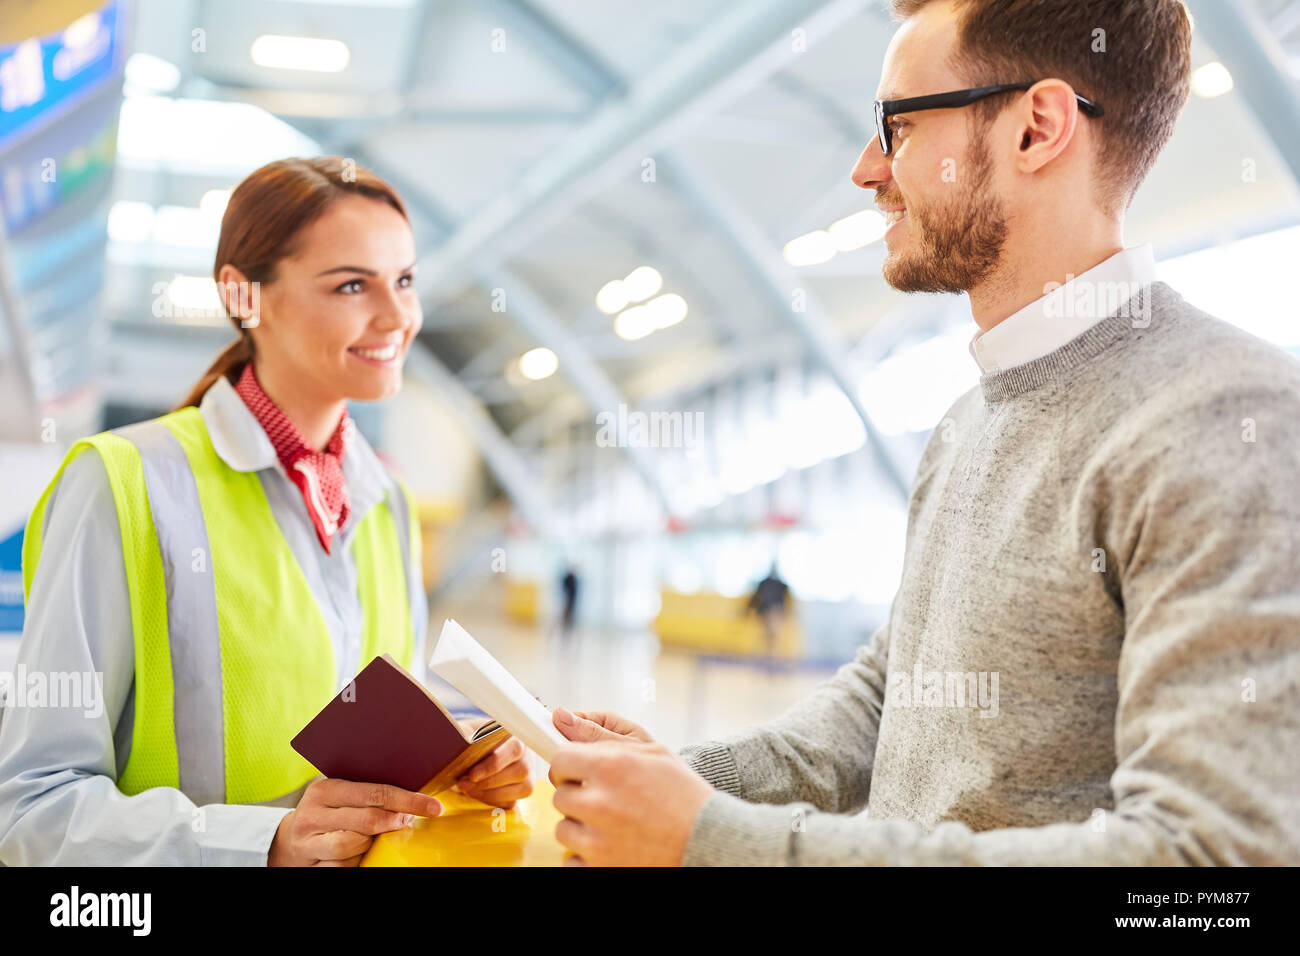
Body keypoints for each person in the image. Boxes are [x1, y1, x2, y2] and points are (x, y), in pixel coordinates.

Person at [544, 0, 1300, 865]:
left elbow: (1209, 866)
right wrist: (662, 780)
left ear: (1037, 128)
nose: (869, 169)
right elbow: (886, 698)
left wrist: (716, 840)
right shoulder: (968, 421)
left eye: (896, 126)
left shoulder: (1228, 417)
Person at [0, 157, 532, 866]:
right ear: (244, 296)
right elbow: (31, 808)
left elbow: (369, 723)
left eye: (404, 280)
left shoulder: (385, 500)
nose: (398, 317)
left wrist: (461, 762)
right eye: (352, 285)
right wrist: (265, 842)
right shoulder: (122, 483)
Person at [745, 564, 789, 661]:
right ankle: (766, 659)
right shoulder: (765, 584)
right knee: (767, 638)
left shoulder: (781, 586)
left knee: (772, 639)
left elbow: (785, 602)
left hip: (775, 612)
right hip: (767, 613)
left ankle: (771, 659)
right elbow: (755, 599)